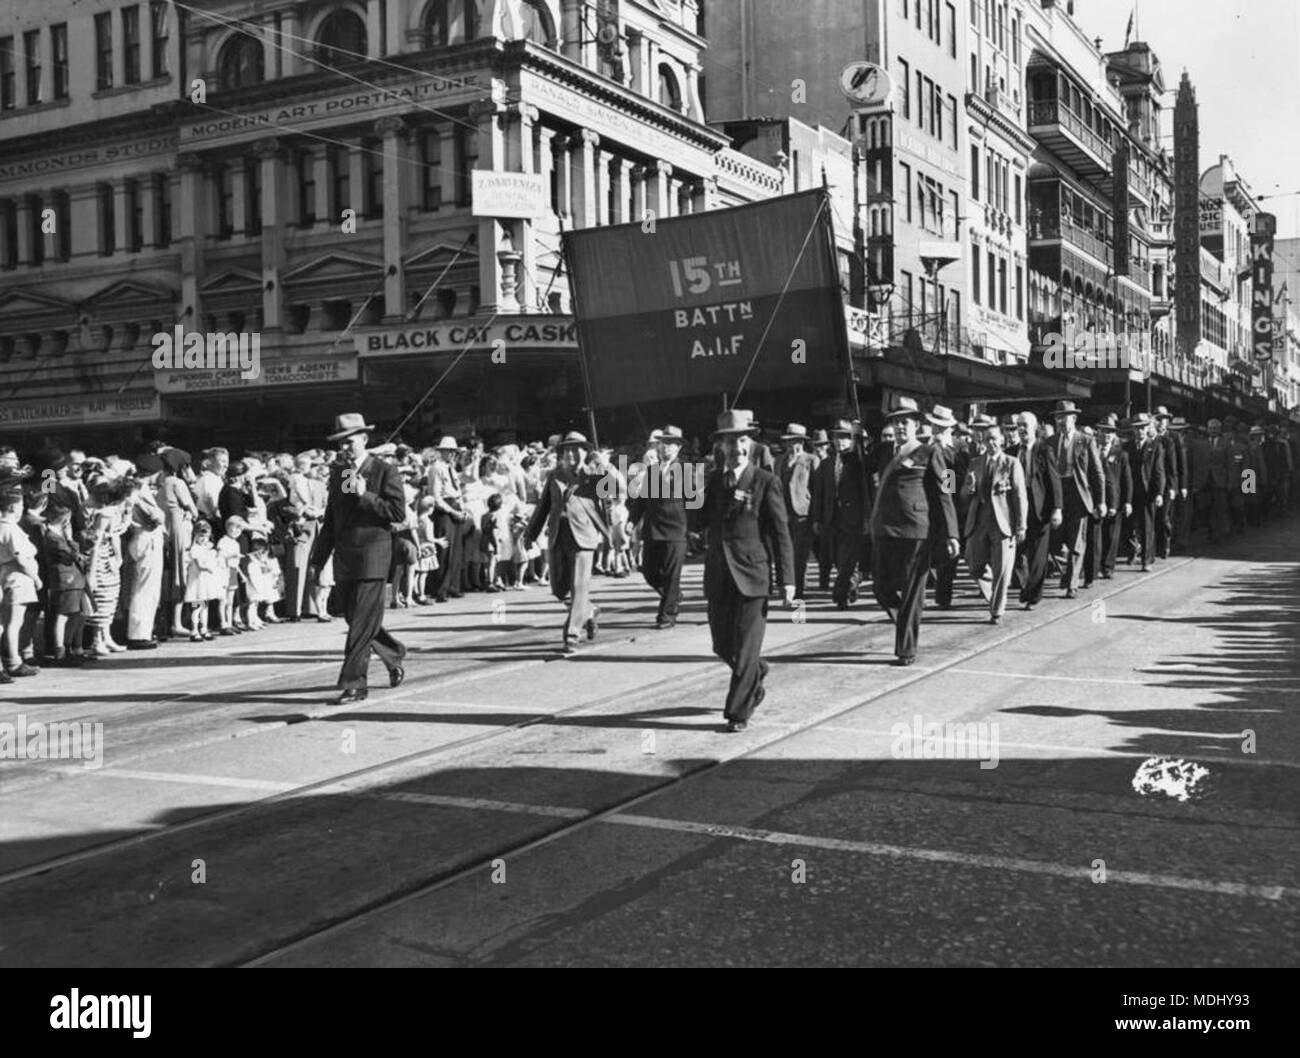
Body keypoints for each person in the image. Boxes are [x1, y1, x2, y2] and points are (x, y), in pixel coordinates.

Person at [696, 410, 795, 732]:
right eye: (728, 441)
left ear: (750, 443)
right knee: (722, 646)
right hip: (719, 576)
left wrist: (788, 580)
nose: (735, 446)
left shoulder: (766, 481)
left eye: (740, 440)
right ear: (721, 446)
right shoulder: (712, 481)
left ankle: (738, 712)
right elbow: (695, 521)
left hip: (753, 576)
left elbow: (781, 533)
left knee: (746, 646)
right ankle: (755, 672)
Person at [309, 413, 409, 704]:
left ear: (364, 439)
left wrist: (366, 495)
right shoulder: (340, 473)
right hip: (345, 559)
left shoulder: (384, 471)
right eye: (340, 444)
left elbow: (397, 514)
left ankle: (354, 684)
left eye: (349, 442)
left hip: (372, 558)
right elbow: (332, 519)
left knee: (360, 625)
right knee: (358, 620)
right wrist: (319, 559)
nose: (344, 449)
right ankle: (393, 652)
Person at [869, 397, 959, 665]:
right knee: (880, 588)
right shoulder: (885, 452)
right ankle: (906, 622)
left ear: (916, 425)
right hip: (885, 529)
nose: (899, 427)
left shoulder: (931, 452)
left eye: (905, 422)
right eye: (895, 422)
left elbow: (947, 491)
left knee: (911, 592)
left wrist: (952, 532)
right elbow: (858, 463)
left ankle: (906, 649)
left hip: (916, 530)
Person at [524, 431, 613, 653]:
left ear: (585, 452)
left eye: (576, 449)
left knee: (578, 586)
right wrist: (530, 534)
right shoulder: (555, 475)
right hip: (558, 535)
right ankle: (589, 611)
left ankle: (572, 634)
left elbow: (608, 501)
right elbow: (543, 506)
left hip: (583, 537)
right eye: (567, 450)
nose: (571, 454)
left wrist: (602, 470)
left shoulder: (594, 474)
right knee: (559, 589)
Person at [961, 415, 1026, 624]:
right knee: (971, 562)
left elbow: (1019, 495)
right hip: (976, 519)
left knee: (1002, 568)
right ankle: (945, 597)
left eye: (994, 437)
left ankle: (996, 608)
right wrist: (967, 489)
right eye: (985, 436)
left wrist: (1020, 525)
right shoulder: (966, 457)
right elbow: (956, 490)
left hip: (1001, 521)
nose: (990, 442)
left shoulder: (1010, 462)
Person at [628, 425, 694, 630]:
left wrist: (695, 527)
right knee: (648, 571)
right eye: (663, 444)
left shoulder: (686, 470)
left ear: (678, 448)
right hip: (653, 528)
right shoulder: (652, 471)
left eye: (671, 445)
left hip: (676, 530)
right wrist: (632, 520)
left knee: (672, 574)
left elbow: (694, 501)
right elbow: (641, 501)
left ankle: (666, 615)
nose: (666, 449)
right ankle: (673, 594)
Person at [1046, 400, 1105, 599]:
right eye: (1058, 418)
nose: (1061, 421)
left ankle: (1072, 584)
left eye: (1064, 417)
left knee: (1077, 542)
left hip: (1078, 494)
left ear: (1074, 418)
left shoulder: (1086, 440)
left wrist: (1101, 501)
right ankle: (1068, 572)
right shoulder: (1051, 441)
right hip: (1057, 494)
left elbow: (1097, 473)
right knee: (1054, 542)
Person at [812, 420, 869, 610]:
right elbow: (819, 494)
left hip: (852, 518)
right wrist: (817, 518)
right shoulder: (826, 464)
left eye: (845, 437)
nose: (840, 442)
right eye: (837, 437)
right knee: (838, 558)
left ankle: (841, 593)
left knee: (847, 559)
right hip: (832, 519)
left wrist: (867, 517)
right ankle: (850, 582)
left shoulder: (858, 462)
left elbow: (866, 491)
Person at [776, 423, 817, 601]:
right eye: (790, 441)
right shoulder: (780, 461)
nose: (794, 445)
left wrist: (815, 515)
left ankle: (798, 588)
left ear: (802, 442)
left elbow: (816, 489)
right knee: (785, 552)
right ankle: (787, 585)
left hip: (802, 513)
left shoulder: (810, 460)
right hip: (783, 512)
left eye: (797, 441)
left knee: (800, 554)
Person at [428, 436, 466, 602]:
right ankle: (440, 589)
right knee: (445, 550)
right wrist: (452, 511)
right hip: (444, 509)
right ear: (441, 452)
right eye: (448, 451)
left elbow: (457, 489)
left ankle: (453, 586)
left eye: (453, 452)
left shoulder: (451, 468)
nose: (452, 454)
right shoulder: (436, 468)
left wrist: (462, 508)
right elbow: (436, 496)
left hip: (455, 505)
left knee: (456, 550)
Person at [1126, 413, 1166, 571]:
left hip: (1147, 492)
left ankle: (1146, 560)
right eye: (1137, 428)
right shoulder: (1127, 447)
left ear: (1147, 428)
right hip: (1130, 491)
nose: (1140, 431)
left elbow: (1158, 471)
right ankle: (1132, 551)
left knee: (1147, 526)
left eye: (1142, 428)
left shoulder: (1155, 446)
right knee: (1128, 525)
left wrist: (1159, 493)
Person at [184, 520, 222, 641]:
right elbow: (200, 565)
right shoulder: (195, 549)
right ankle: (194, 630)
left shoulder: (207, 548)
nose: (203, 539)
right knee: (197, 607)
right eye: (200, 536)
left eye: (205, 536)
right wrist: (210, 568)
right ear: (195, 535)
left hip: (205, 583)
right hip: (197, 583)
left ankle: (204, 629)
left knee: (205, 606)